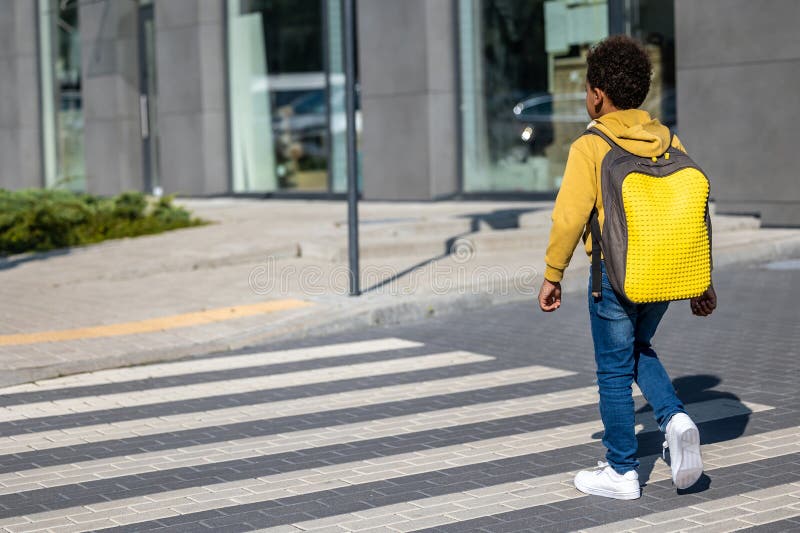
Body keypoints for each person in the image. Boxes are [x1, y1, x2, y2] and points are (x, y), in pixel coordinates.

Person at [537, 35, 717, 500]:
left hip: (615, 277)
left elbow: (568, 216)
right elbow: (690, 209)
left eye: (586, 90)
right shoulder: (667, 139)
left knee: (614, 370)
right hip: (668, 274)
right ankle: (675, 419)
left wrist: (552, 273)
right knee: (640, 347)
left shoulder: (591, 145)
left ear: (598, 94)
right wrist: (703, 280)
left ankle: (621, 469)